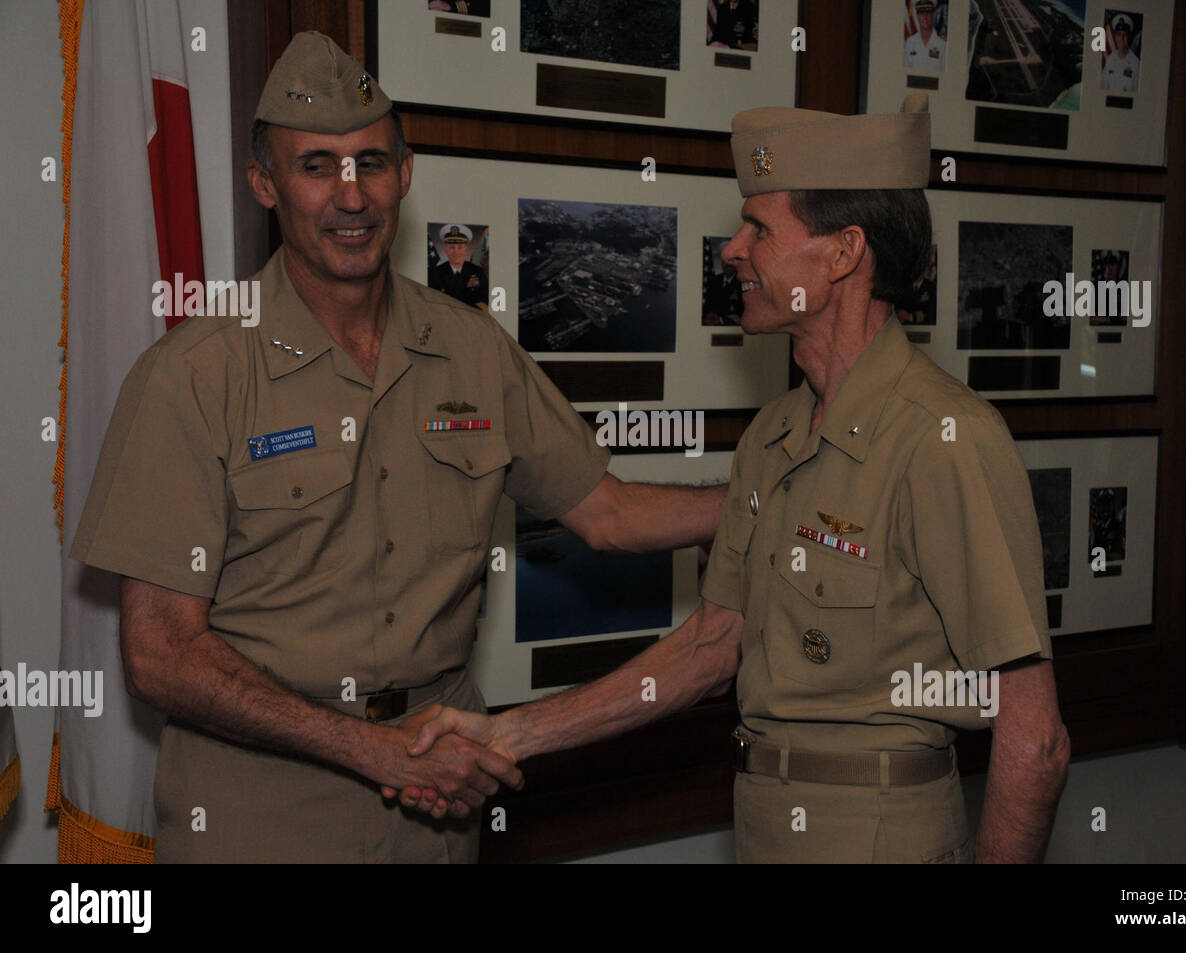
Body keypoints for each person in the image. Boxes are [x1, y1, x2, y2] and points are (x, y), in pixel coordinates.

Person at [68, 31, 725, 863]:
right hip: (260, 811)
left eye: (371, 163)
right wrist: (371, 748)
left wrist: (761, 499)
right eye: (317, 168)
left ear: (405, 176)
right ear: (264, 184)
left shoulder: (472, 351)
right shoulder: (191, 376)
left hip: (439, 806)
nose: (352, 196)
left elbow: (611, 512)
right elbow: (160, 652)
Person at [396, 93, 1071, 864]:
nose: (732, 250)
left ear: (844, 252)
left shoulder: (945, 439)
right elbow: (710, 646)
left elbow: (1035, 735)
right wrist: (509, 732)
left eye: (761, 227)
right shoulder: (774, 437)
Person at [429, 224, 489, 311]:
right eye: (452, 247)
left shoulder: (477, 272)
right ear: (446, 249)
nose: (456, 252)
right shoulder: (435, 273)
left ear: (466, 249)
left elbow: (486, 299)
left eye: (460, 247)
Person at [1101, 13, 1140, 94]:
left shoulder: (1136, 63)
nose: (1121, 39)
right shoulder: (1110, 59)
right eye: (1119, 35)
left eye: (1124, 35)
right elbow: (1103, 87)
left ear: (1129, 37)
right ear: (1115, 37)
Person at [903, 0, 946, 73]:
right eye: (921, 13)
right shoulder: (910, 43)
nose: (925, 17)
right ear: (917, 16)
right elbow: (905, 73)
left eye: (928, 12)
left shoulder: (943, 44)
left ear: (933, 14)